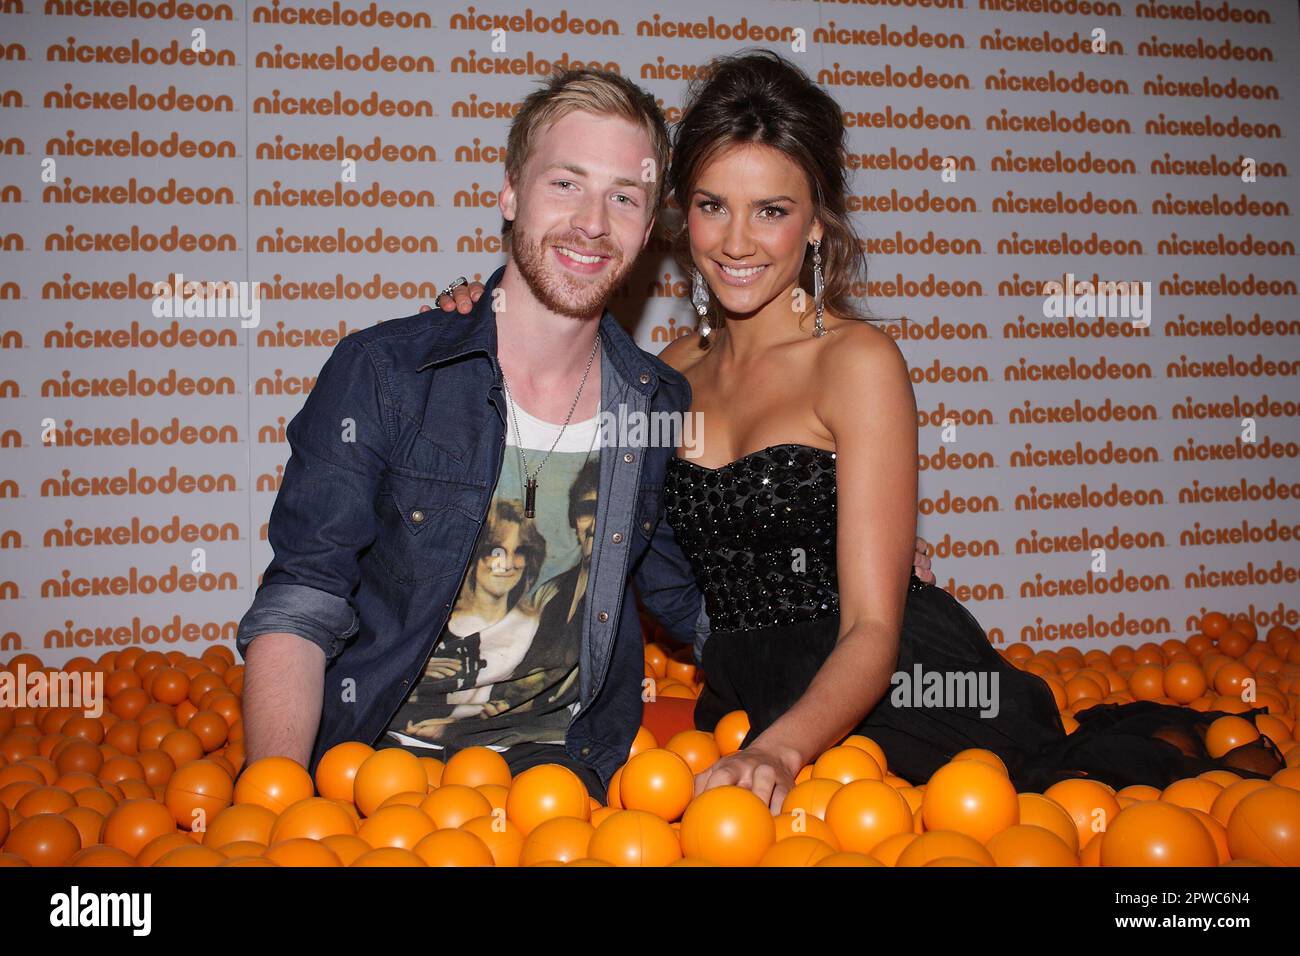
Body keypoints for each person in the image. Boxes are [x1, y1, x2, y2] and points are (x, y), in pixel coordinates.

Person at [437, 49, 1283, 812]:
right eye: (711, 206)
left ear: (815, 223)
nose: (736, 242)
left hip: (894, 691)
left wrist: (782, 749)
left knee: (1055, 806)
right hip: (744, 696)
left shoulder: (859, 362)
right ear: (677, 215)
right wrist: (483, 311)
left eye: (771, 210)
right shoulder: (664, 373)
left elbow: (873, 628)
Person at [236, 63, 941, 803]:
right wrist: (272, 801)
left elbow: (693, 584)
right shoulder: (389, 373)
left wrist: (852, 559)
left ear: (649, 226)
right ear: (511, 190)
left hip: (570, 784)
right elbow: (303, 599)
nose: (593, 222)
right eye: (566, 183)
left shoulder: (651, 401)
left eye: (624, 196)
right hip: (374, 776)